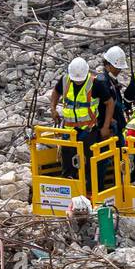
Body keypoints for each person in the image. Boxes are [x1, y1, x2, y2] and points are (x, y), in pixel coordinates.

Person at [49, 56, 109, 186]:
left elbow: (109, 103)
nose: (77, 82)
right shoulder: (65, 80)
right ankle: (69, 187)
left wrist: (105, 126)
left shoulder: (95, 83)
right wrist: (53, 108)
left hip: (88, 130)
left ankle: (90, 189)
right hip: (69, 130)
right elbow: (55, 92)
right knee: (67, 161)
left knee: (89, 162)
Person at [100, 45, 129, 145]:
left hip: (117, 125)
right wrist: (106, 126)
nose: (119, 70)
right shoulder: (103, 81)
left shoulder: (111, 80)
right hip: (110, 128)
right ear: (108, 65)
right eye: (117, 68)